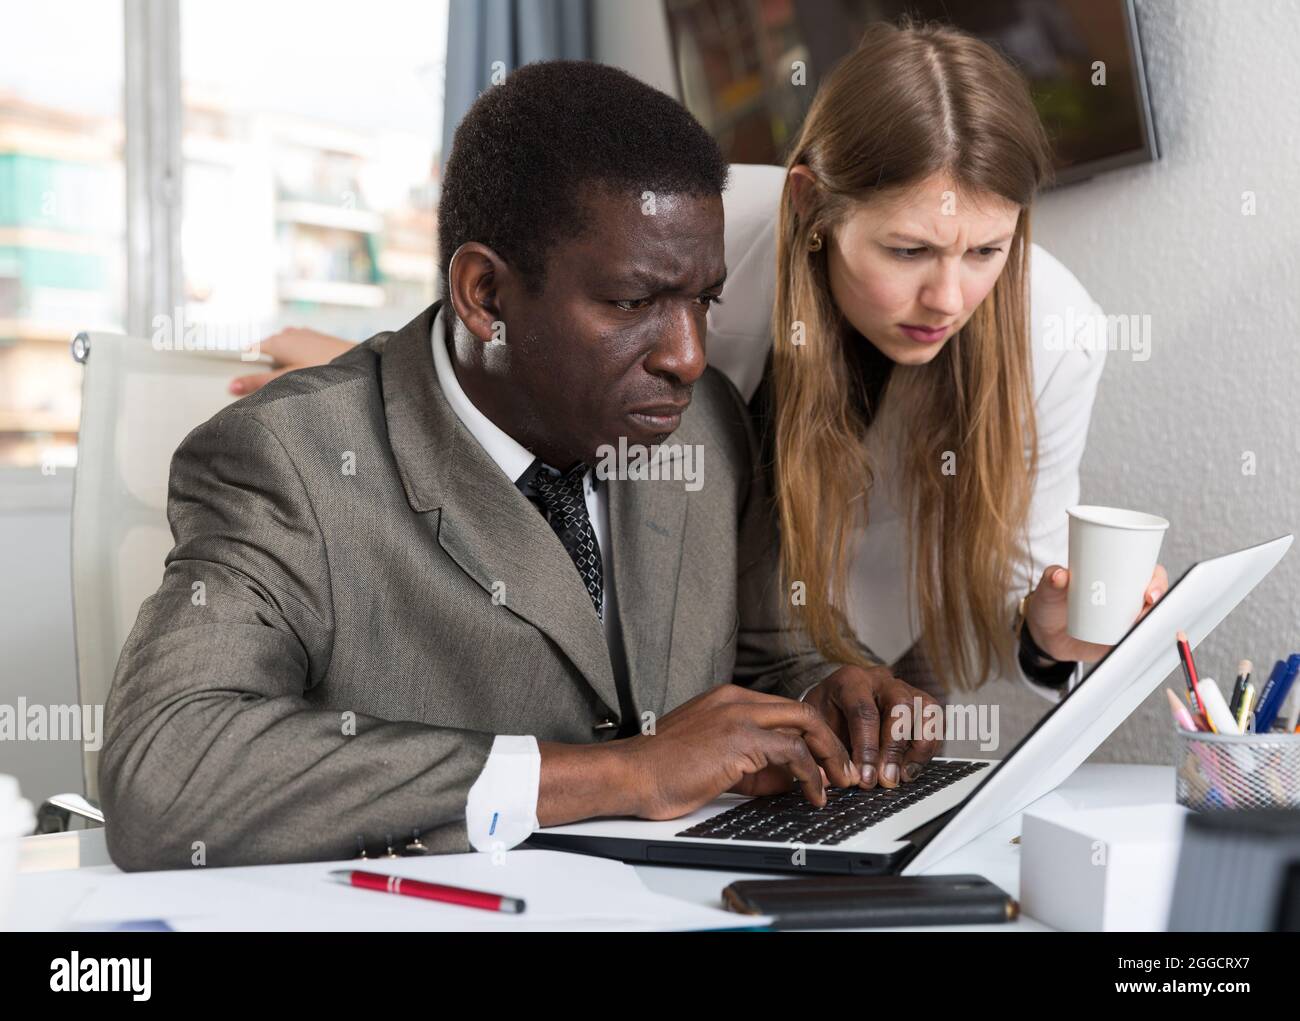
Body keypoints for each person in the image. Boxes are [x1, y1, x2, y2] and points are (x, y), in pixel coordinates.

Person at [234, 22, 1166, 783]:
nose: (951, 300)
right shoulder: (700, 252)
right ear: (811, 209)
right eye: (908, 251)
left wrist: (1052, 629)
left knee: (884, 789)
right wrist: (375, 382)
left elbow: (1018, 587)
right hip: (703, 656)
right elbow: (519, 333)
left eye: (986, 252)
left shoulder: (1057, 330)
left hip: (859, 647)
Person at [100, 59, 941, 871]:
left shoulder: (704, 427)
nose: (687, 356)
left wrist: (830, 696)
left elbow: (770, 651)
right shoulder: (292, 463)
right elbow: (167, 772)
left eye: (704, 300)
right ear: (486, 295)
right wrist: (622, 772)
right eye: (633, 301)